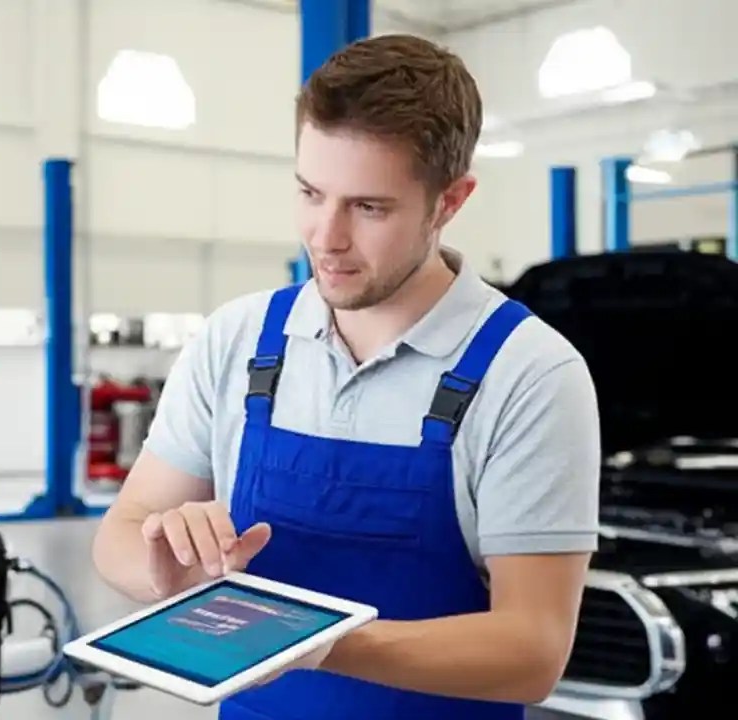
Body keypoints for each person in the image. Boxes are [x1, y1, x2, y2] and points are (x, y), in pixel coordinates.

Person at [92, 33, 601, 720]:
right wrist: (163, 569)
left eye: (368, 207)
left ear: (450, 201)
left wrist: (320, 645)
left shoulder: (531, 376)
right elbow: (121, 530)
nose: (325, 237)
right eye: (309, 191)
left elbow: (532, 649)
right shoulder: (237, 341)